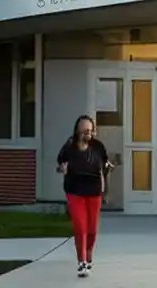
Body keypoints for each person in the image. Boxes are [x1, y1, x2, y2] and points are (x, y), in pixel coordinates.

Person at [56, 114, 113, 278]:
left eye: (90, 130)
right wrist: (63, 168)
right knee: (80, 227)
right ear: (78, 130)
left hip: (94, 191)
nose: (87, 133)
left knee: (92, 229)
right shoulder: (69, 146)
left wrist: (108, 168)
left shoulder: (98, 147)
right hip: (75, 190)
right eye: (84, 130)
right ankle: (81, 261)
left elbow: (105, 164)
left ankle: (88, 255)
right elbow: (60, 163)